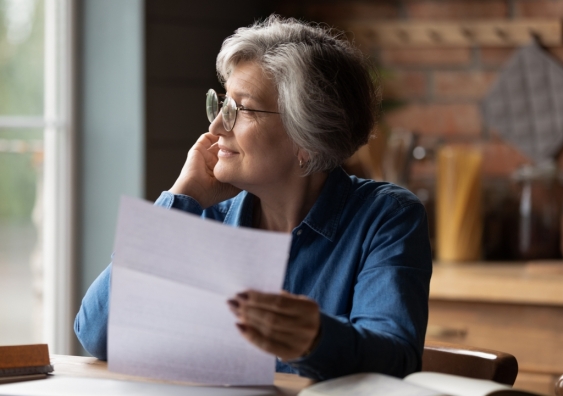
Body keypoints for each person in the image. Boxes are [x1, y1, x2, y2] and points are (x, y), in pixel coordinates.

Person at [75, 15, 432, 381]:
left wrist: (315, 339)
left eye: (240, 110)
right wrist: (179, 198)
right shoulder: (202, 216)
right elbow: (98, 335)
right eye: (222, 104)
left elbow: (396, 358)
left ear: (306, 140)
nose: (216, 127)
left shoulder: (386, 216)